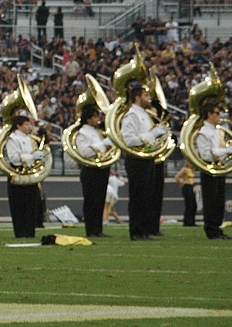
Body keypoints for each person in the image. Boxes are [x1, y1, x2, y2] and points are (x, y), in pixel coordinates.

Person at [120, 82, 170, 241]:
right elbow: (129, 140)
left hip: (147, 158)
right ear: (137, 97)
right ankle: (136, 231)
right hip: (136, 160)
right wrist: (153, 134)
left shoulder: (145, 115)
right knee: (138, 196)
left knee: (147, 196)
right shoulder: (131, 115)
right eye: (146, 95)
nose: (149, 98)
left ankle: (145, 230)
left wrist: (159, 137)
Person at [192, 99, 232, 239]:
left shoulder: (219, 131)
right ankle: (211, 229)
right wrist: (228, 150)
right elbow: (207, 154)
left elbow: (219, 151)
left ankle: (217, 228)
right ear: (209, 114)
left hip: (220, 168)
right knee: (211, 200)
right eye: (217, 113)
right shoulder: (203, 132)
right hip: (209, 170)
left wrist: (231, 152)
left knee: (218, 200)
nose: (219, 116)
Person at [4, 110, 46, 238]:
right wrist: (33, 157)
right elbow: (14, 159)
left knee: (32, 204)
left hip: (30, 175)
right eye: (26, 124)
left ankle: (30, 231)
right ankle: (21, 232)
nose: (29, 127)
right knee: (19, 205)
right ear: (18, 126)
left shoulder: (30, 139)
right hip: (17, 175)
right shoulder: (12, 139)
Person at [75, 104, 114, 237]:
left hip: (101, 169)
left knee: (99, 200)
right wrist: (103, 144)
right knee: (91, 201)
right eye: (95, 117)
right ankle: (90, 230)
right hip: (90, 170)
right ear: (88, 119)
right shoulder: (82, 133)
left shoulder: (97, 132)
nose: (98, 119)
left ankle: (98, 229)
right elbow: (85, 152)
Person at [174, 161, 196, 227]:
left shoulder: (192, 170)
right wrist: (182, 182)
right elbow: (177, 177)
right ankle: (187, 222)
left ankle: (192, 221)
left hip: (191, 186)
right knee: (189, 205)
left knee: (193, 205)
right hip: (187, 186)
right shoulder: (184, 169)